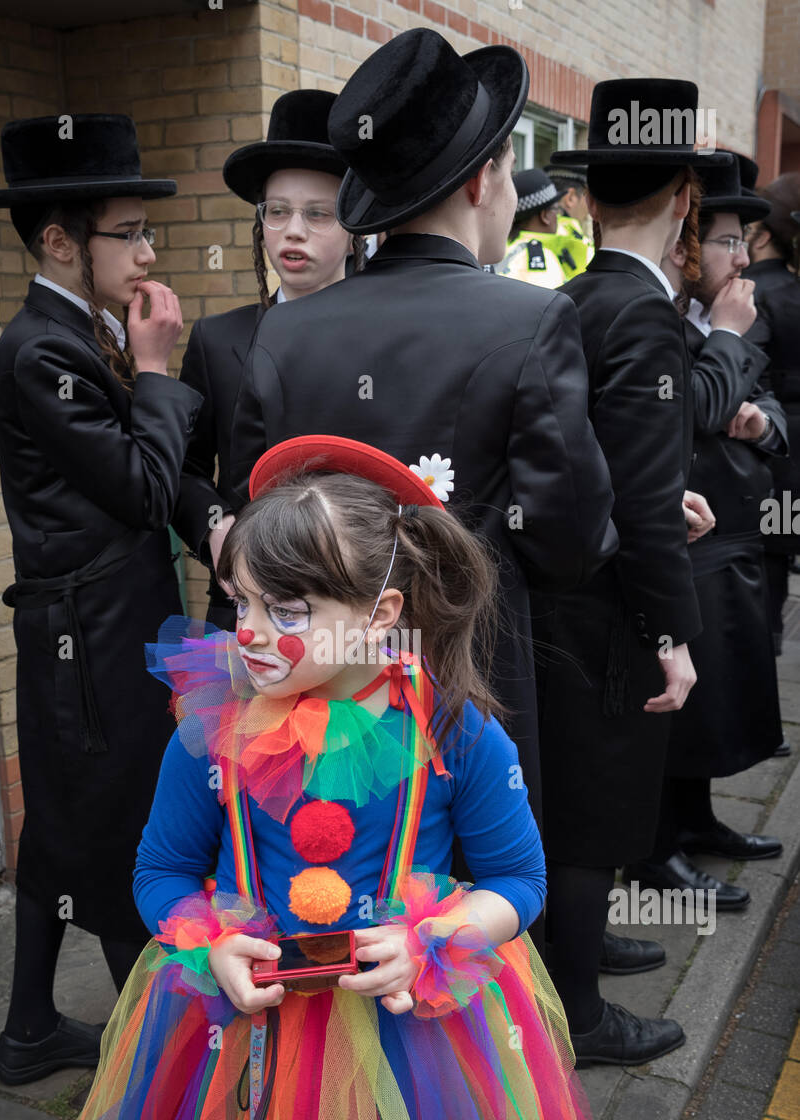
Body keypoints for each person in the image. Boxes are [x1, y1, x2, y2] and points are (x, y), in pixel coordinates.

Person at [28, 437, 602, 1120]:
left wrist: (437, 939)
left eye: (287, 610)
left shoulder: (457, 735)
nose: (248, 633)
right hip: (247, 1034)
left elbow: (519, 883)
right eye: (239, 601)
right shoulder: (211, 729)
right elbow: (162, 870)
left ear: (381, 613)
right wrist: (206, 945)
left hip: (416, 1040)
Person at [230, 28, 617, 843]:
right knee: (465, 901)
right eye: (511, 171)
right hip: (472, 668)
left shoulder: (286, 334)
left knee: (332, 869)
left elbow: (255, 508)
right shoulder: (532, 318)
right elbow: (569, 539)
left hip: (323, 676)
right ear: (484, 180)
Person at [0, 115, 203, 1084]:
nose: (148, 251)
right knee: (112, 820)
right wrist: (156, 371)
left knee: (70, 822)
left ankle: (29, 1029)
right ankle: (157, 1049)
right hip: (90, 635)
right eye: (128, 231)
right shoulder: (41, 352)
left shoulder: (82, 332)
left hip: (102, 624)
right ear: (61, 240)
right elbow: (143, 488)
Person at [532, 80, 732, 1066]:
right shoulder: (643, 316)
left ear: (589, 198)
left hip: (561, 592)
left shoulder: (574, 296)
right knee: (591, 803)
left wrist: (656, 507)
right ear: (684, 197)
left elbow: (591, 465)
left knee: (575, 797)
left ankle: (579, 947)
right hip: (606, 608)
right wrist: (672, 632)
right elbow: (643, 495)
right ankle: (578, 1015)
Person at [631, 156, 787, 906]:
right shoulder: (664, 323)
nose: (739, 257)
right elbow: (686, 413)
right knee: (676, 711)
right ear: (689, 245)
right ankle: (656, 853)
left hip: (734, 543)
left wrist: (763, 425)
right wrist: (727, 336)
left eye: (743, 240)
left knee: (718, 707)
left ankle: (698, 822)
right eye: (725, 240)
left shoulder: (733, 323)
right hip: (683, 546)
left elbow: (769, 400)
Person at [176, 91, 364, 627]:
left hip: (363, 605)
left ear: (355, 230)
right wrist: (216, 524)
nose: (294, 230)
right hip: (248, 607)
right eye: (278, 212)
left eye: (318, 213)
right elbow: (186, 468)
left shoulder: (393, 339)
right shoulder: (217, 339)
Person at [742, 173, 800, 660]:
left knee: (764, 567)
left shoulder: (750, 294)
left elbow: (743, 373)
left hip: (770, 456)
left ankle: (760, 672)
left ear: (760, 234)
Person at [498, 169, 567, 286]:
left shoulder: (500, 251)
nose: (558, 216)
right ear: (544, 216)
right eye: (556, 209)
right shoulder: (543, 259)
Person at [545, 165, 595, 278]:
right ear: (570, 198)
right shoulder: (579, 244)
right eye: (588, 197)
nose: (589, 208)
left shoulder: (527, 233)